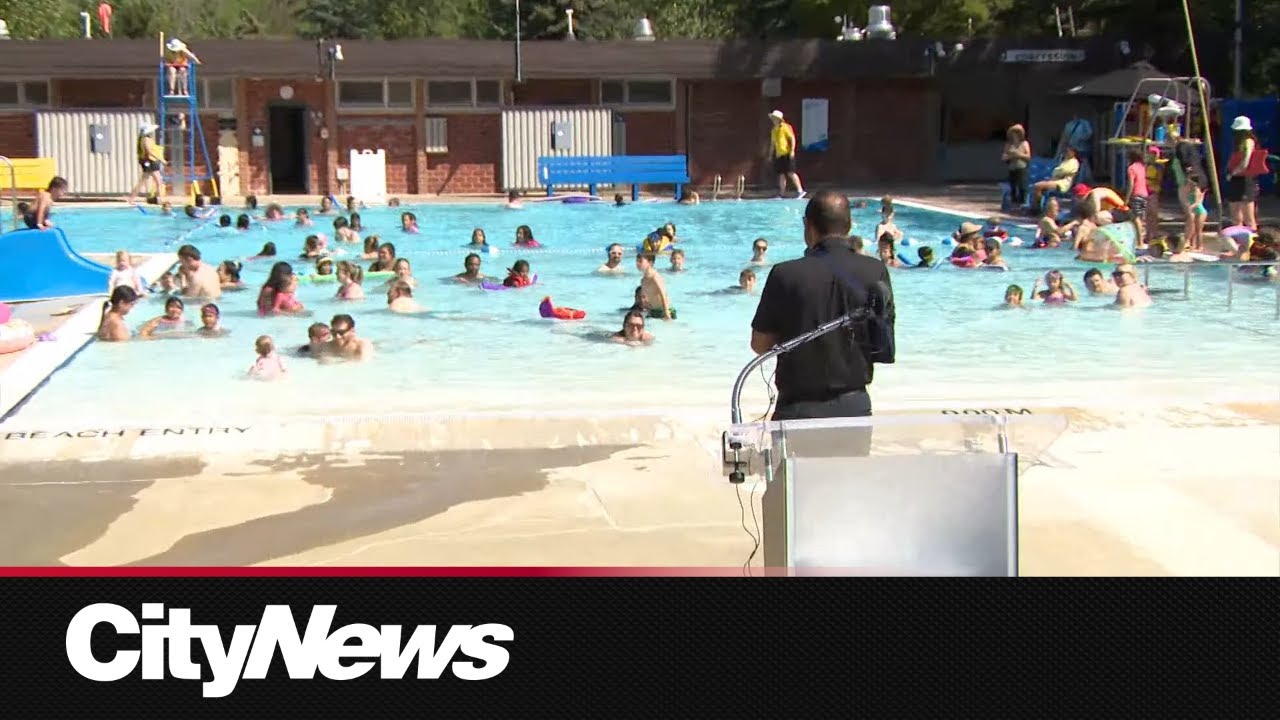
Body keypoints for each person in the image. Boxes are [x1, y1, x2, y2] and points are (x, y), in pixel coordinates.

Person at [749, 191, 895, 431]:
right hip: (855, 407)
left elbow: (760, 344)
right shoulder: (875, 271)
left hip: (797, 408)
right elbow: (882, 345)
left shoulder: (785, 274)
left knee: (792, 470)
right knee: (849, 470)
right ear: (849, 226)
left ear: (809, 226)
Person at [767, 110, 805, 199]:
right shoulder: (773, 130)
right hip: (779, 155)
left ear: (779, 119)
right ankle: (782, 193)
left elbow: (792, 139)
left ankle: (800, 191)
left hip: (787, 153)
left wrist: (792, 151)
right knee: (781, 174)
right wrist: (770, 155)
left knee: (791, 172)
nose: (773, 120)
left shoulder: (786, 127)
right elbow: (773, 143)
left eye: (775, 118)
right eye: (773, 118)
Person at [127, 123, 164, 204]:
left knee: (150, 180)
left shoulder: (144, 138)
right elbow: (149, 151)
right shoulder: (146, 139)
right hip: (149, 161)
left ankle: (132, 199)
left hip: (149, 161)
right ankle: (160, 199)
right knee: (157, 180)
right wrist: (161, 159)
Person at [1001, 124, 1032, 207]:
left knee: (1022, 186)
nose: (1015, 134)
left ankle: (1023, 203)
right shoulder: (1008, 145)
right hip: (1012, 168)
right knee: (1013, 187)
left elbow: (1028, 157)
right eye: (1013, 132)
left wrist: (1018, 154)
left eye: (1017, 132)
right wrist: (1010, 156)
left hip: (1022, 168)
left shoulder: (1024, 143)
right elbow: (1003, 157)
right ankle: (1014, 203)